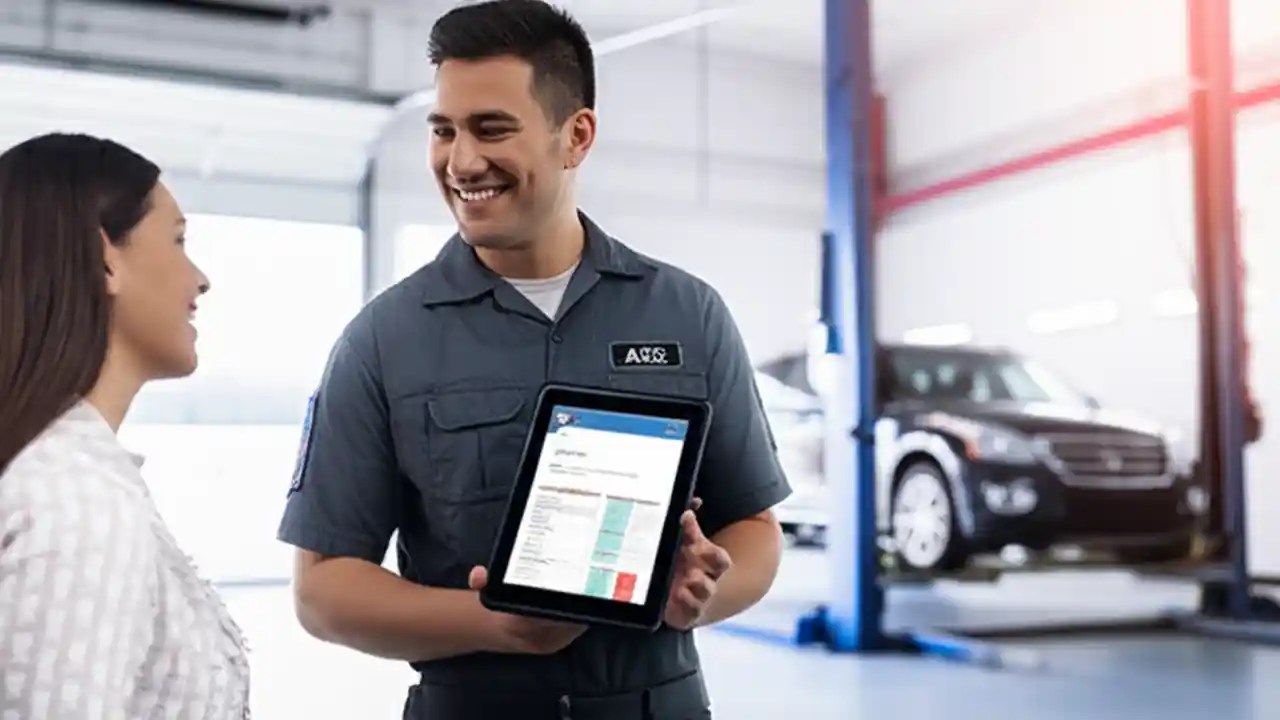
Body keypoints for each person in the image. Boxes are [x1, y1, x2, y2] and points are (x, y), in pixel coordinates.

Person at [276, 1, 791, 718]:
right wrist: (497, 623)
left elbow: (756, 530)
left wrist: (695, 597)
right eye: (444, 131)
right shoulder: (383, 339)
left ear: (575, 135)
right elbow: (324, 588)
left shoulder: (688, 313)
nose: (460, 162)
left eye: (491, 129)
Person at [0, 133, 251, 718]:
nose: (200, 278)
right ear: (103, 259)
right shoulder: (76, 498)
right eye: (179, 240)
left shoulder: (54, 473)